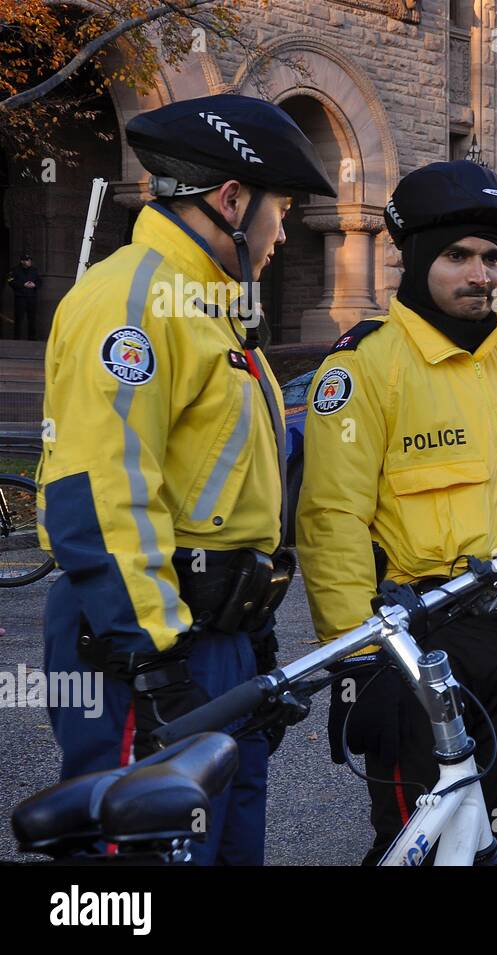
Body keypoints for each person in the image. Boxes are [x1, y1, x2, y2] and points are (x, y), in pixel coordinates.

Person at [39, 93, 336, 865]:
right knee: (138, 873)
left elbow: (228, 491)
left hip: (214, 638)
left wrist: (258, 636)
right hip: (144, 644)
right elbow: (98, 496)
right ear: (232, 200)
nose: (283, 231)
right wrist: (157, 664)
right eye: (281, 208)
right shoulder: (133, 300)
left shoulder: (213, 305)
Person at [296, 161, 497, 865]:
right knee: (418, 842)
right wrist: (361, 662)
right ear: (421, 257)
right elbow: (329, 524)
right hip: (422, 647)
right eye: (458, 255)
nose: (481, 273)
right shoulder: (364, 366)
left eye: (491, 257)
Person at [6, 252, 40, 339]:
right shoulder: (15, 270)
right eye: (27, 260)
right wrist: (22, 285)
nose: (29, 262)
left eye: (30, 260)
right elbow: (10, 281)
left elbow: (39, 281)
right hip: (20, 297)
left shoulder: (34, 270)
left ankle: (32, 338)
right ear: (22, 261)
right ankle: (17, 338)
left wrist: (34, 285)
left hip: (31, 297)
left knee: (32, 319)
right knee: (19, 319)